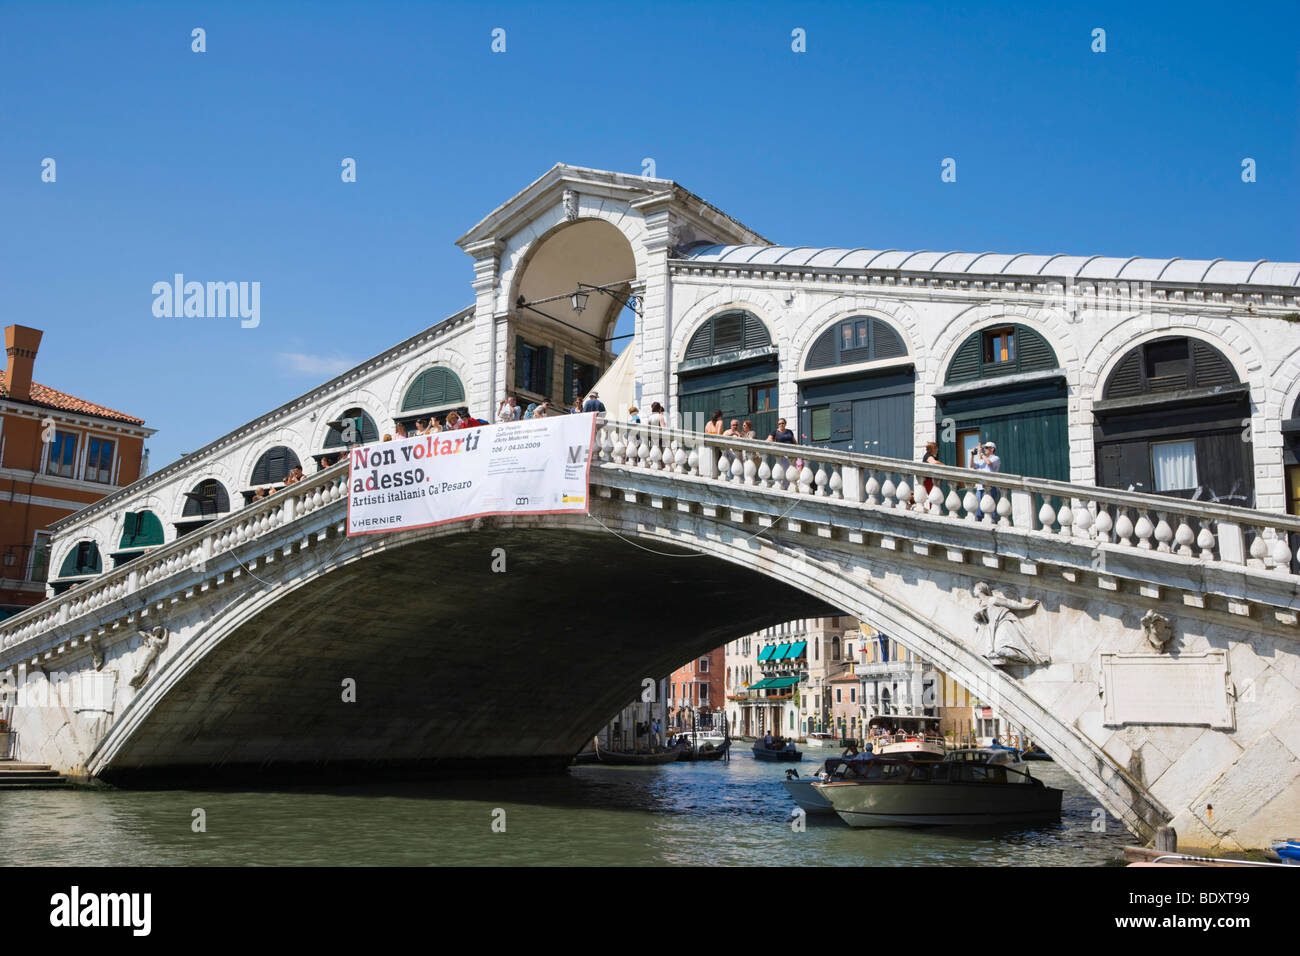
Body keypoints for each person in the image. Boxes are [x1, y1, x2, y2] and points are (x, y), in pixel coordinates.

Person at [921, 440, 942, 506]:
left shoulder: (932, 456)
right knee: (933, 496)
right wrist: (944, 465)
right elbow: (934, 462)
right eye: (936, 448)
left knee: (934, 496)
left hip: (931, 480)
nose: (937, 449)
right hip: (929, 480)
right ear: (933, 449)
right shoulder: (928, 456)